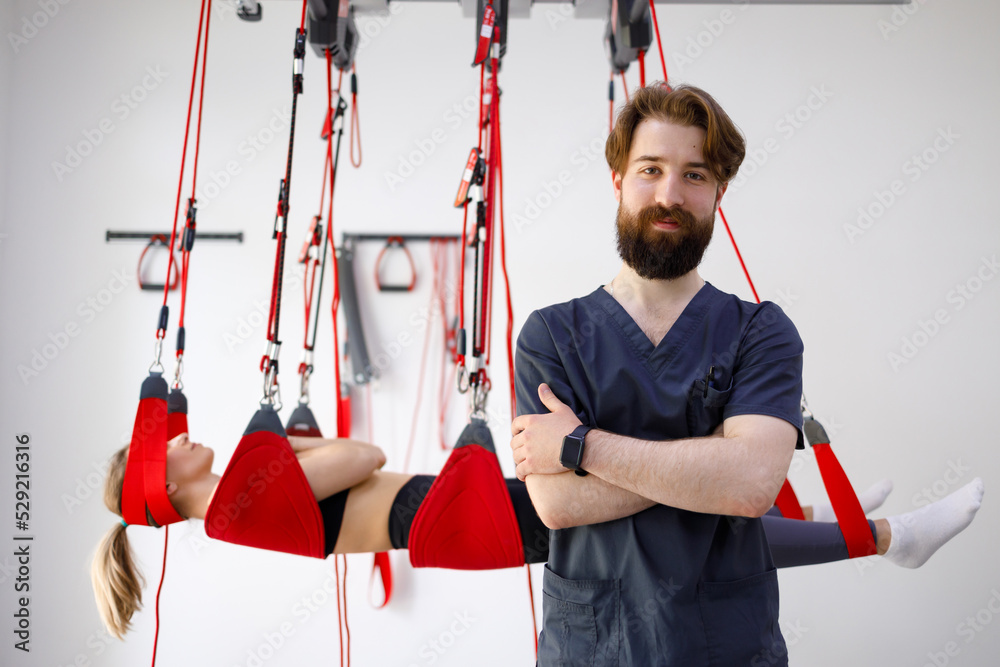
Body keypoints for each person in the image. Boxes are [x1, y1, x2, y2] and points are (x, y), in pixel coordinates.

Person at [507, 82, 983, 665]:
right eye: (650, 169)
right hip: (594, 643)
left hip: (723, 642)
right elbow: (557, 505)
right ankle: (879, 532)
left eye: (695, 175)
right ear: (618, 181)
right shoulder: (551, 334)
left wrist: (579, 445)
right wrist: (710, 462)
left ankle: (873, 529)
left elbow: (751, 486)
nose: (670, 194)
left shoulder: (760, 331)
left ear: (719, 192)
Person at [93, 431, 983, 642]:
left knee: (682, 513)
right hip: (471, 516)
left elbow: (347, 470)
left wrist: (280, 447)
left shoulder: (239, 502)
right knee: (673, 504)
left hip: (465, 513)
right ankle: (882, 536)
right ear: (162, 478)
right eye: (162, 441)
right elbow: (362, 451)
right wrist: (281, 448)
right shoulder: (235, 503)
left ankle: (846, 528)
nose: (178, 429)